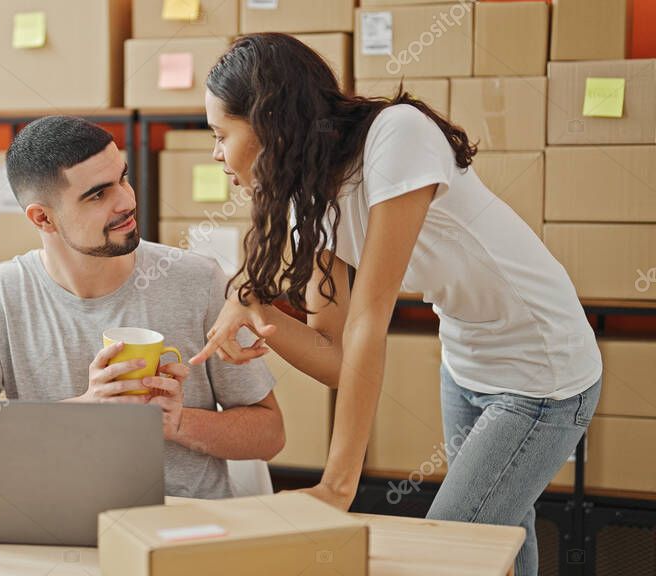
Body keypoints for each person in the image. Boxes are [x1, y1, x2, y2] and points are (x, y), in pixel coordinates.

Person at [191, 33, 601, 574]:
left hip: (543, 370)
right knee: (501, 536)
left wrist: (338, 484)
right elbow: (337, 358)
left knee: (456, 547)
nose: (216, 153)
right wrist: (254, 308)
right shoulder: (307, 204)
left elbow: (368, 320)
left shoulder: (398, 135)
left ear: (269, 121)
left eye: (222, 134)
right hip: (466, 364)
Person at [0, 115, 285, 499]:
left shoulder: (200, 280)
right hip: (50, 523)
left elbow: (270, 435)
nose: (127, 201)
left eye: (122, 178)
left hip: (183, 526)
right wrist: (83, 410)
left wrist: (175, 424)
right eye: (98, 194)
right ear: (43, 218)